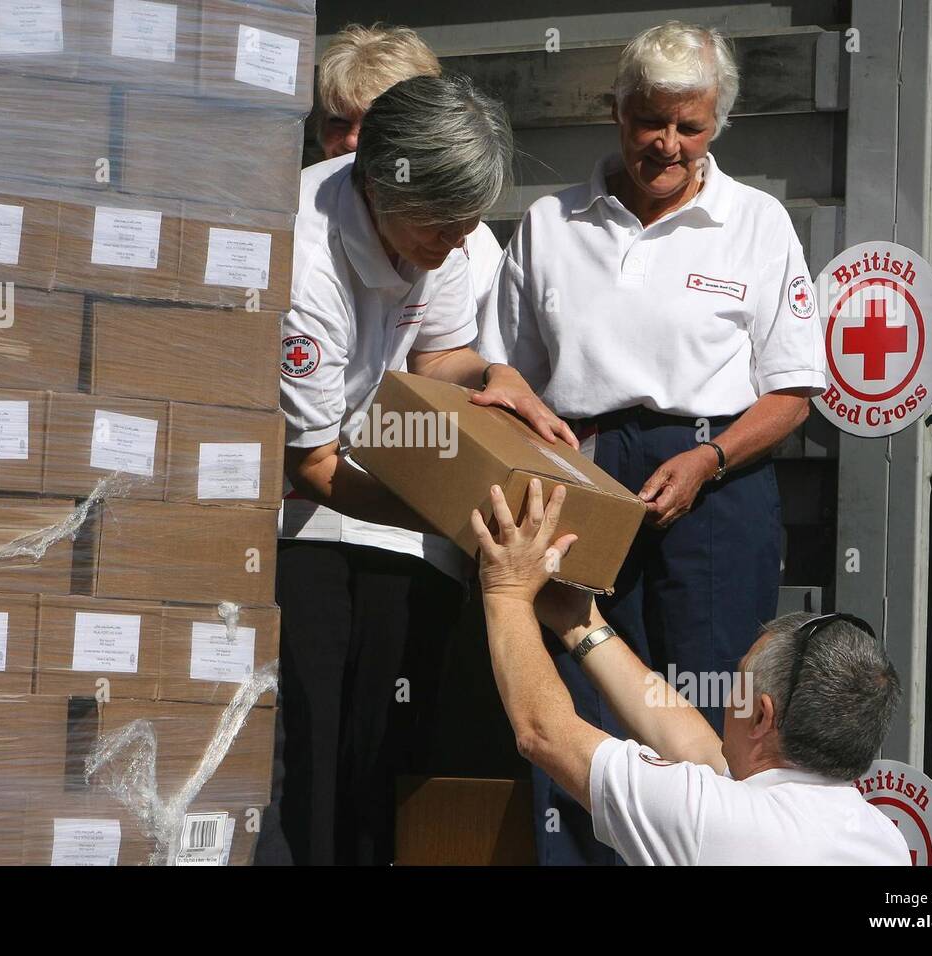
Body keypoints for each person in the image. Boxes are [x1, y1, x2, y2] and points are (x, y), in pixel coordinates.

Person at [477, 20, 827, 864]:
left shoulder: (758, 222)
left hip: (717, 485)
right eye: (650, 120)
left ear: (717, 126)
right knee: (577, 699)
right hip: (582, 477)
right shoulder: (553, 222)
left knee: (710, 718)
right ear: (618, 110)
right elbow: (501, 373)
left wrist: (709, 458)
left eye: (690, 125)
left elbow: (794, 393)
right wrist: (523, 405)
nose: (667, 143)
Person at [264, 73, 576, 866]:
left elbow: (438, 352)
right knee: (307, 761)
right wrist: (455, 514)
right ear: (377, 184)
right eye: (441, 227)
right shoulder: (303, 269)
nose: (456, 243)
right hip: (289, 512)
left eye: (466, 226)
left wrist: (498, 380)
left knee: (385, 755)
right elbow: (315, 465)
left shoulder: (439, 230)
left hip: (372, 482)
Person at [471, 478, 911, 865]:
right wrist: (583, 624)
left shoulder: (711, 820)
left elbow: (542, 731)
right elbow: (696, 746)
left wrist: (507, 591)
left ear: (762, 716)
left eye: (738, 685)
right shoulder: (882, 839)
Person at [316, 22, 506, 313]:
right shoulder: (301, 232)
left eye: (372, 123)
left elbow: (450, 354)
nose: (353, 139)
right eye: (338, 121)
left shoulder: (466, 244)